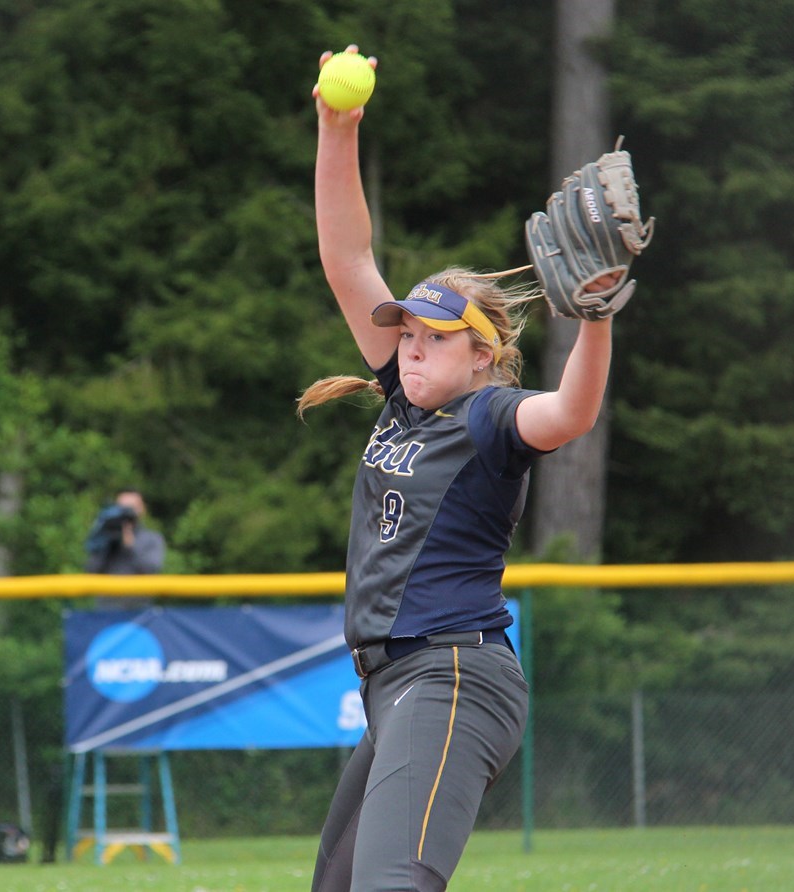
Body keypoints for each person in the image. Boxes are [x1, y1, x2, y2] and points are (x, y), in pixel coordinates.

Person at [301, 46, 619, 892]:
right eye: (405, 333)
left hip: (451, 675)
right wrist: (339, 128)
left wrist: (593, 321)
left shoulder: (489, 415)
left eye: (433, 338)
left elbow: (572, 414)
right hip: (396, 686)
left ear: (483, 355)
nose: (410, 349)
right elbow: (346, 259)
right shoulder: (405, 398)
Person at [84, 488, 165, 576]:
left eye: (131, 507)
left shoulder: (152, 539)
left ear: (143, 508)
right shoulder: (106, 535)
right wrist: (105, 544)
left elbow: (150, 569)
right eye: (121, 508)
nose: (126, 513)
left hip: (137, 589)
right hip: (108, 589)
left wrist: (130, 547)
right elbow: (91, 569)